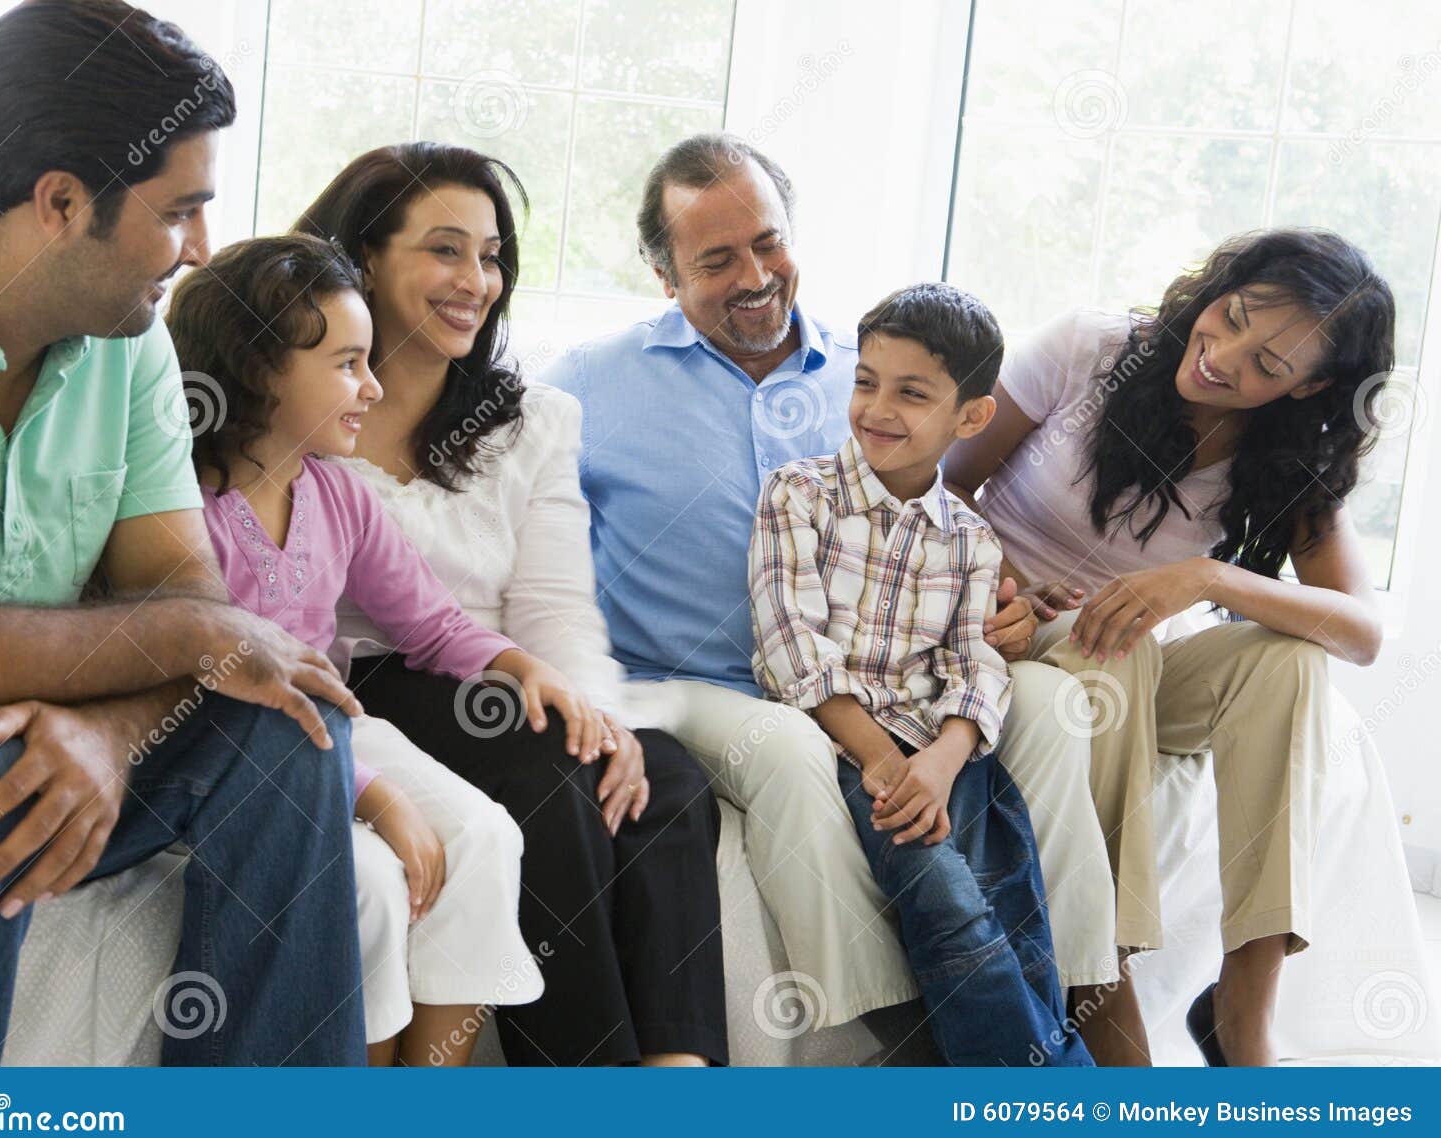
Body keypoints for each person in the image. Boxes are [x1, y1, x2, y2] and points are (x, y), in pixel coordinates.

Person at [0, 0, 367, 1065]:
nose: (202, 247)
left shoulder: (123, 342)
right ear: (61, 202)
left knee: (290, 727)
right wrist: (176, 644)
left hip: (16, 733)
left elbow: (194, 599)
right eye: (181, 211)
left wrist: (115, 733)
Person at [542, 131, 1121, 1057]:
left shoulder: (869, 369)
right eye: (716, 258)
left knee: (1053, 702)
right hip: (698, 683)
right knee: (785, 749)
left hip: (875, 673)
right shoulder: (587, 384)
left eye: (767, 243)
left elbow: (940, 529)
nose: (755, 275)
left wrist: (1004, 605)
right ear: (664, 274)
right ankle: (899, 1028)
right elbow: (516, 532)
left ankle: (1073, 989)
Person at [295, 142, 728, 1066]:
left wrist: (597, 716)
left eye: (492, 256)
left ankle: (679, 1074)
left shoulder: (534, 420)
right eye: (446, 249)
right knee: (545, 768)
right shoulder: (302, 402)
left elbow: (557, 607)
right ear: (365, 256)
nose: (476, 280)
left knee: (667, 778)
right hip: (367, 677)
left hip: (497, 666)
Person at [942, 229, 1397, 1066]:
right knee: (1122, 648)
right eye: (1230, 318)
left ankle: (1242, 1008)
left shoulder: (1283, 452)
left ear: (1313, 387)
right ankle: (1099, 987)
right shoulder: (1092, 349)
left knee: (1289, 658)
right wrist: (1006, 583)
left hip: (1132, 659)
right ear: (1222, 286)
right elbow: (944, 481)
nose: (1224, 358)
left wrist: (1208, 580)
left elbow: (1361, 631)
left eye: (1269, 366)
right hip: (1009, 629)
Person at [166, 233, 556, 1066]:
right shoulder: (181, 507)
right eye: (349, 364)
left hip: (331, 726)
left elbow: (430, 624)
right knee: (375, 884)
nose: (374, 390)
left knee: (488, 837)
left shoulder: (337, 492)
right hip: (243, 745)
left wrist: (521, 666)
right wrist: (376, 798)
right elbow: (213, 699)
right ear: (263, 369)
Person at [751, 283, 1091, 1066]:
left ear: (970, 417)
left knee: (1013, 907)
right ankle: (1063, 1100)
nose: (876, 407)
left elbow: (976, 660)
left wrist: (941, 760)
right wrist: (886, 762)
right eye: (866, 381)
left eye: (911, 392)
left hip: (944, 755)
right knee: (946, 900)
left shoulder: (971, 537)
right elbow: (789, 646)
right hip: (851, 749)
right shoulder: (798, 496)